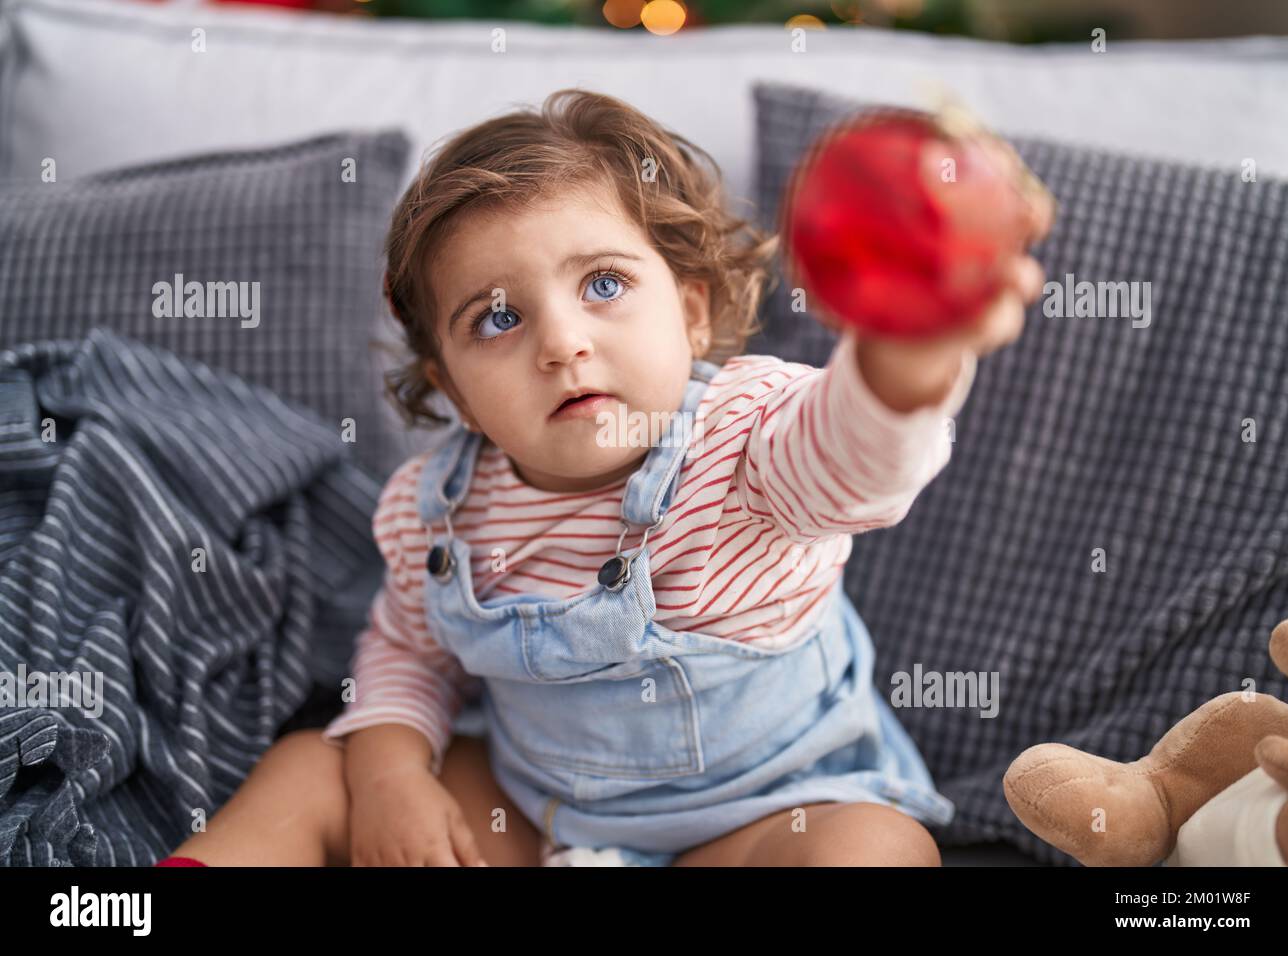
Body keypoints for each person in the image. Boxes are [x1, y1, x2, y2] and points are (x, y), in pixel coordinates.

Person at [157, 87, 1051, 868]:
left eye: (605, 285)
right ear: (455, 393)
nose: (561, 342)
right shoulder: (434, 511)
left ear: (692, 311)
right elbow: (408, 653)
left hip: (759, 823)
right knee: (316, 767)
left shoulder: (744, 440)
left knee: (877, 851)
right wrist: (391, 774)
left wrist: (906, 354)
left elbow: (859, 460)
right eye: (497, 318)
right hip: (541, 817)